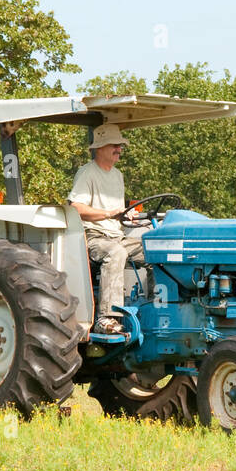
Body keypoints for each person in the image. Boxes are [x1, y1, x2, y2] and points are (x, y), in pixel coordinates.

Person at [67, 123, 146, 334]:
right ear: (99, 147)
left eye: (120, 145)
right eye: (114, 145)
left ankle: (154, 307)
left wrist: (127, 215)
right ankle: (107, 318)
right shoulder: (87, 173)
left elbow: (117, 212)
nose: (119, 149)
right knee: (116, 253)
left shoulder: (117, 175)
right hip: (92, 235)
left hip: (116, 234)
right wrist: (111, 213)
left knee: (155, 251)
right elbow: (76, 207)